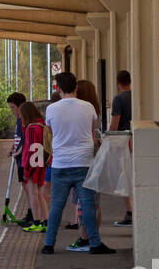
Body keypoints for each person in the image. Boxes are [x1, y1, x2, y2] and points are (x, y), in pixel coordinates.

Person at [42, 71, 114, 255]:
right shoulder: (88, 107)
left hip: (60, 163)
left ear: (58, 89)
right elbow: (91, 132)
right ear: (76, 87)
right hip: (84, 162)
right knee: (88, 204)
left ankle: (49, 244)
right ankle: (95, 244)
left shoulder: (51, 109)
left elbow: (51, 132)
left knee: (57, 205)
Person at [66, 79, 103, 245]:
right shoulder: (96, 112)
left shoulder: (81, 113)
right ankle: (94, 235)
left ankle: (84, 237)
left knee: (81, 201)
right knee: (94, 202)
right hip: (96, 159)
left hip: (81, 160)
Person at [18, 101, 50, 234]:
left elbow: (32, 149)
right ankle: (46, 221)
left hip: (33, 165)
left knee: (33, 194)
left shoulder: (31, 128)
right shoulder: (41, 125)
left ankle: (36, 222)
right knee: (40, 194)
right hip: (41, 163)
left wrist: (27, 171)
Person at [108, 70, 134, 226]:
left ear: (118, 83)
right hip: (137, 140)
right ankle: (133, 211)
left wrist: (109, 140)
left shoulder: (118, 99)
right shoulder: (135, 96)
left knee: (125, 177)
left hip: (124, 142)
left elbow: (115, 123)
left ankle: (130, 212)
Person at [6, 92, 33, 225]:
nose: (11, 110)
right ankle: (30, 211)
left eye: (12, 107)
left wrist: (18, 152)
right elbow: (18, 137)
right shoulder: (19, 119)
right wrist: (12, 147)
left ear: (20, 106)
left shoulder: (24, 119)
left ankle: (33, 213)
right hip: (19, 157)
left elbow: (26, 139)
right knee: (25, 186)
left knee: (29, 187)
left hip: (23, 158)